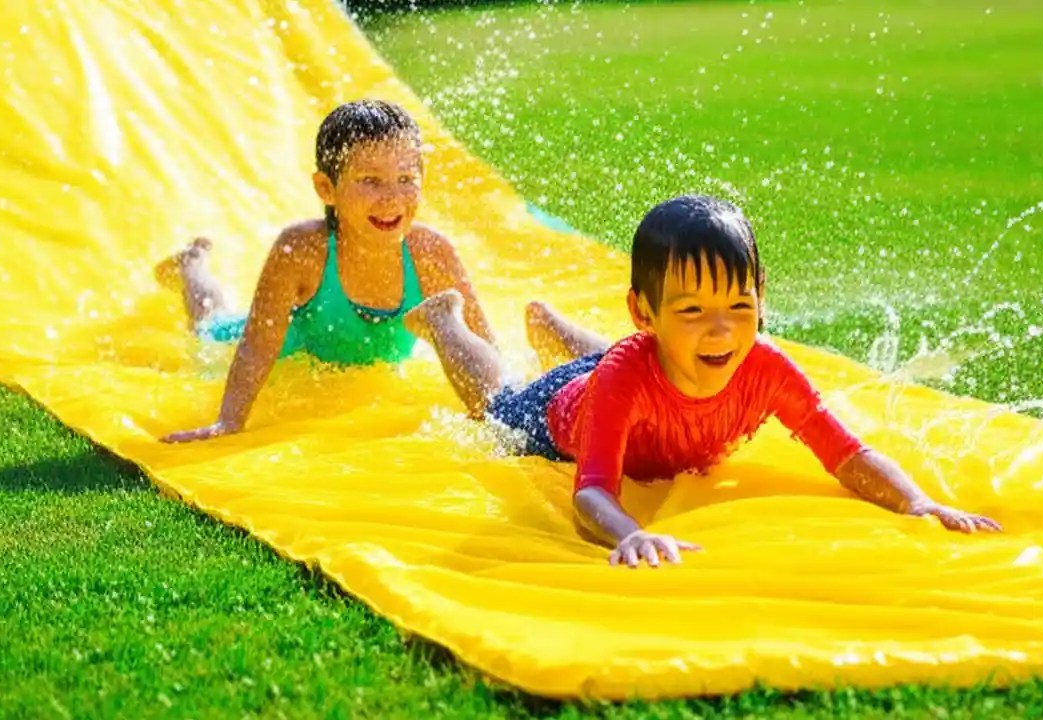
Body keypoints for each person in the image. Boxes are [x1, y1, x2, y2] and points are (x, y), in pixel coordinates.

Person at [404, 194, 1001, 568]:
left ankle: (551, 327)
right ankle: (445, 321)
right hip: (562, 410)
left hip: (630, 368)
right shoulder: (625, 376)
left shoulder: (765, 368)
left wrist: (917, 501)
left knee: (635, 360)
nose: (720, 332)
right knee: (496, 403)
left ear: (761, 295)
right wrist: (630, 533)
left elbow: (847, 454)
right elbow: (591, 491)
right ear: (645, 312)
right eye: (691, 311)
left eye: (738, 307)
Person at [157, 99, 494, 443]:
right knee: (208, 322)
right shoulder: (303, 250)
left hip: (349, 382)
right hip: (270, 355)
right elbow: (256, 348)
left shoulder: (430, 253)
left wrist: (498, 414)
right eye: (371, 180)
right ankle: (192, 266)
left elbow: (482, 341)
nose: (392, 197)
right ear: (326, 189)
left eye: (405, 178)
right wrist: (229, 421)